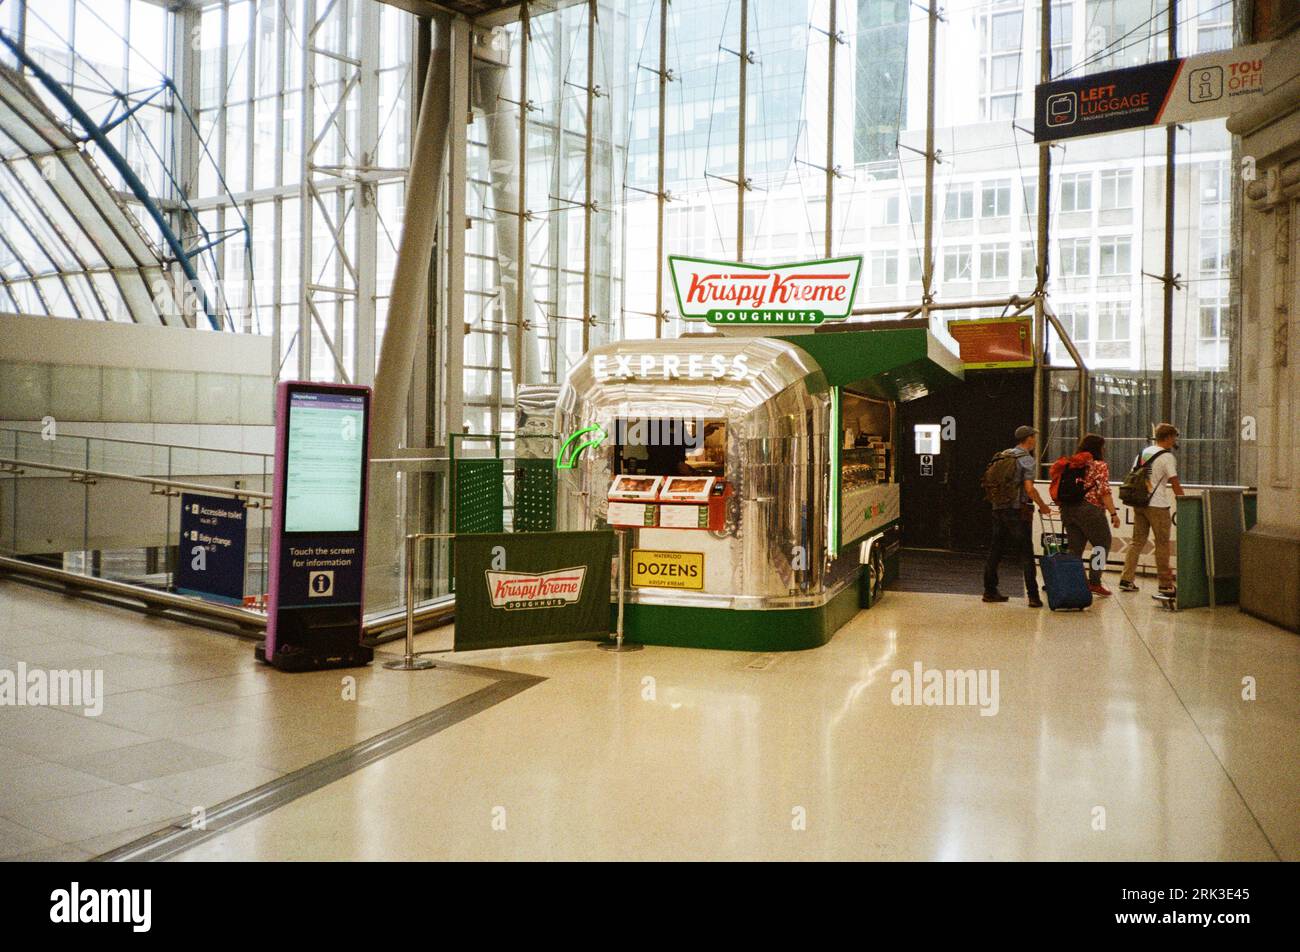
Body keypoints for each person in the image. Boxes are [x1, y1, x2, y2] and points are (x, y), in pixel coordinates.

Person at [983, 425, 1052, 607]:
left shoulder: (1003, 455)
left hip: (998, 508)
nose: (1035, 440)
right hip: (1016, 511)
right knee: (1026, 554)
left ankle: (989, 591)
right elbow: (1029, 489)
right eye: (1034, 437)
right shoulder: (1026, 460)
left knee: (995, 550)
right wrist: (1043, 506)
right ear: (1028, 439)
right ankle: (1033, 597)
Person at [1119, 423, 1185, 595]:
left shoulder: (1143, 453)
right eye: (1174, 437)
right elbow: (1174, 480)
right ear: (1169, 437)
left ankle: (1126, 579)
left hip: (1139, 502)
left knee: (1136, 542)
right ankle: (1165, 584)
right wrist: (1184, 499)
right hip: (1157, 505)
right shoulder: (1167, 457)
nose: (1175, 441)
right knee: (1162, 543)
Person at [1053, 433, 1121, 597]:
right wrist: (1113, 513)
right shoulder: (1099, 465)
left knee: (1075, 549)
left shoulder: (1071, 463)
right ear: (1098, 448)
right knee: (1102, 545)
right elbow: (1104, 492)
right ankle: (1094, 582)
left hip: (1068, 509)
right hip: (1089, 510)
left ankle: (1070, 582)